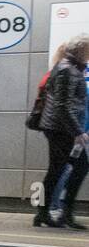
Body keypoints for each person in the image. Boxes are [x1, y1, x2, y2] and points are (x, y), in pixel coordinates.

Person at [34, 34, 89, 230]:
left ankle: (43, 213)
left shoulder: (68, 67)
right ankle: (63, 213)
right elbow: (63, 105)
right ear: (82, 50)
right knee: (79, 167)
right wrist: (78, 132)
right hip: (61, 129)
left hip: (58, 128)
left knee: (55, 171)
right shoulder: (68, 70)